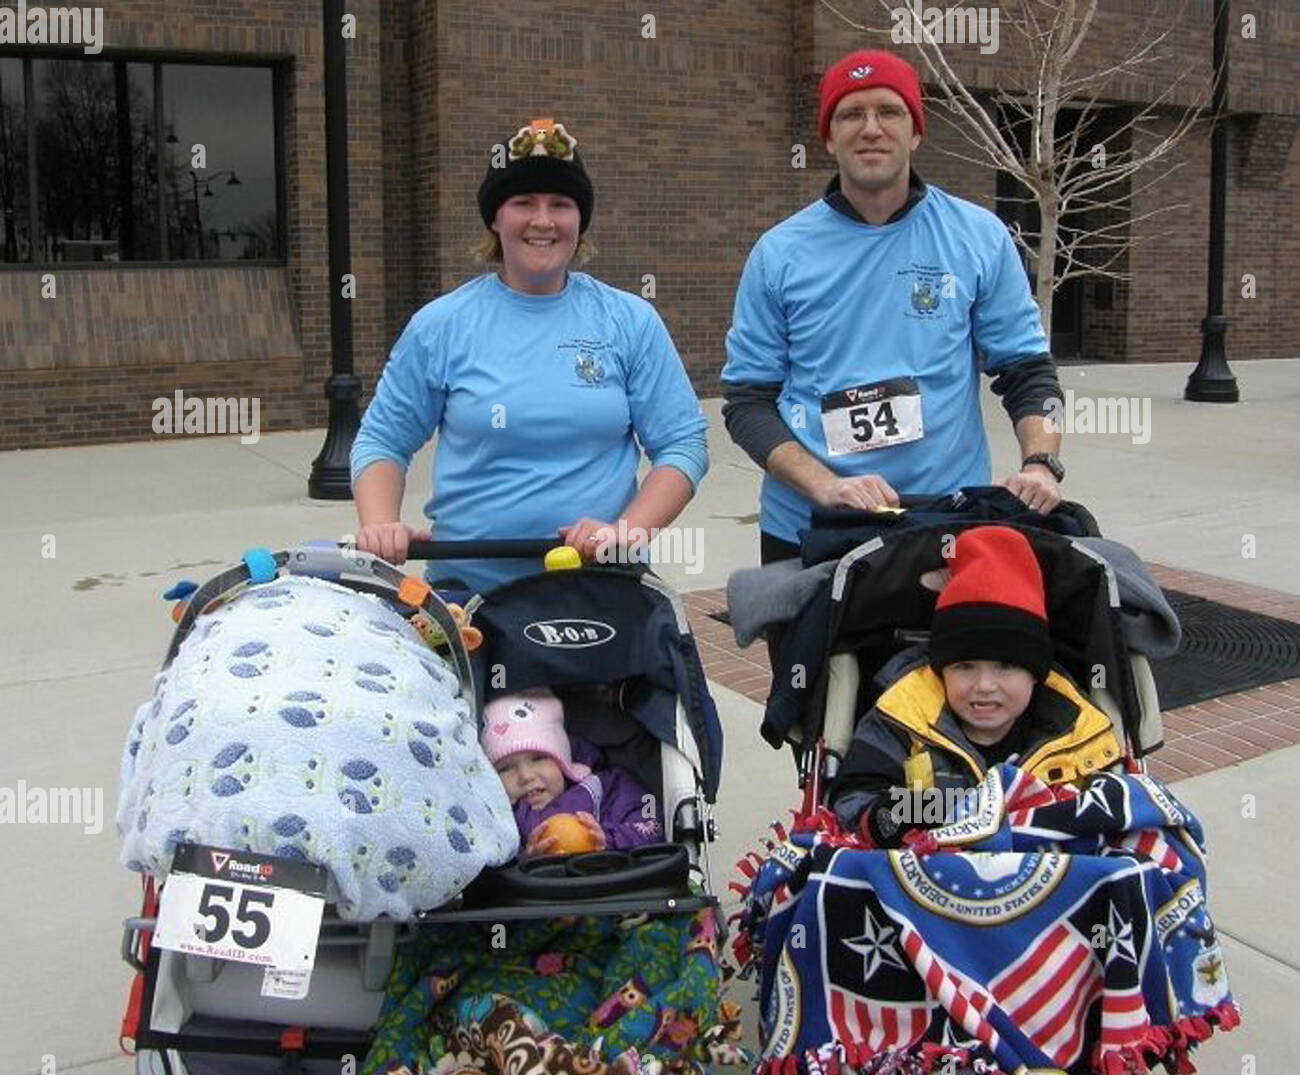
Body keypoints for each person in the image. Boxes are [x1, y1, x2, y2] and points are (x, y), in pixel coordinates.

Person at [721, 50, 1067, 577]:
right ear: (829, 138)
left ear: (916, 132)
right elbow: (748, 403)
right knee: (812, 664)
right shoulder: (779, 253)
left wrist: (1041, 464)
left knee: (945, 664)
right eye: (850, 114)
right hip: (809, 528)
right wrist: (825, 485)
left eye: (889, 111)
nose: (871, 129)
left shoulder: (978, 237)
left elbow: (1026, 371)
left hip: (944, 519)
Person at [351, 117, 708, 593]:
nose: (543, 221)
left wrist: (626, 532)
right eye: (523, 203)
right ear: (496, 219)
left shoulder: (630, 321)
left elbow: (683, 445)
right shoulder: (441, 325)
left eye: (560, 204)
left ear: (580, 221)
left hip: (602, 585)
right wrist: (380, 524)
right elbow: (382, 440)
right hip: (471, 590)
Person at [828, 525, 1122, 846]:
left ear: (1036, 673)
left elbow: (1115, 810)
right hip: (929, 874)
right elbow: (850, 802)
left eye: (1006, 667)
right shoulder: (902, 717)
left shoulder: (1077, 729)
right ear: (941, 671)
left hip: (1048, 874)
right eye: (964, 667)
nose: (984, 685)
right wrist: (912, 810)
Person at [481, 687, 664, 855]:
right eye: (505, 768)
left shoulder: (607, 788)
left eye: (539, 758)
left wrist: (607, 839)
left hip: (618, 881)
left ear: (562, 760)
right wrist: (527, 861)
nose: (526, 776)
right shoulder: (500, 820)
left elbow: (652, 828)